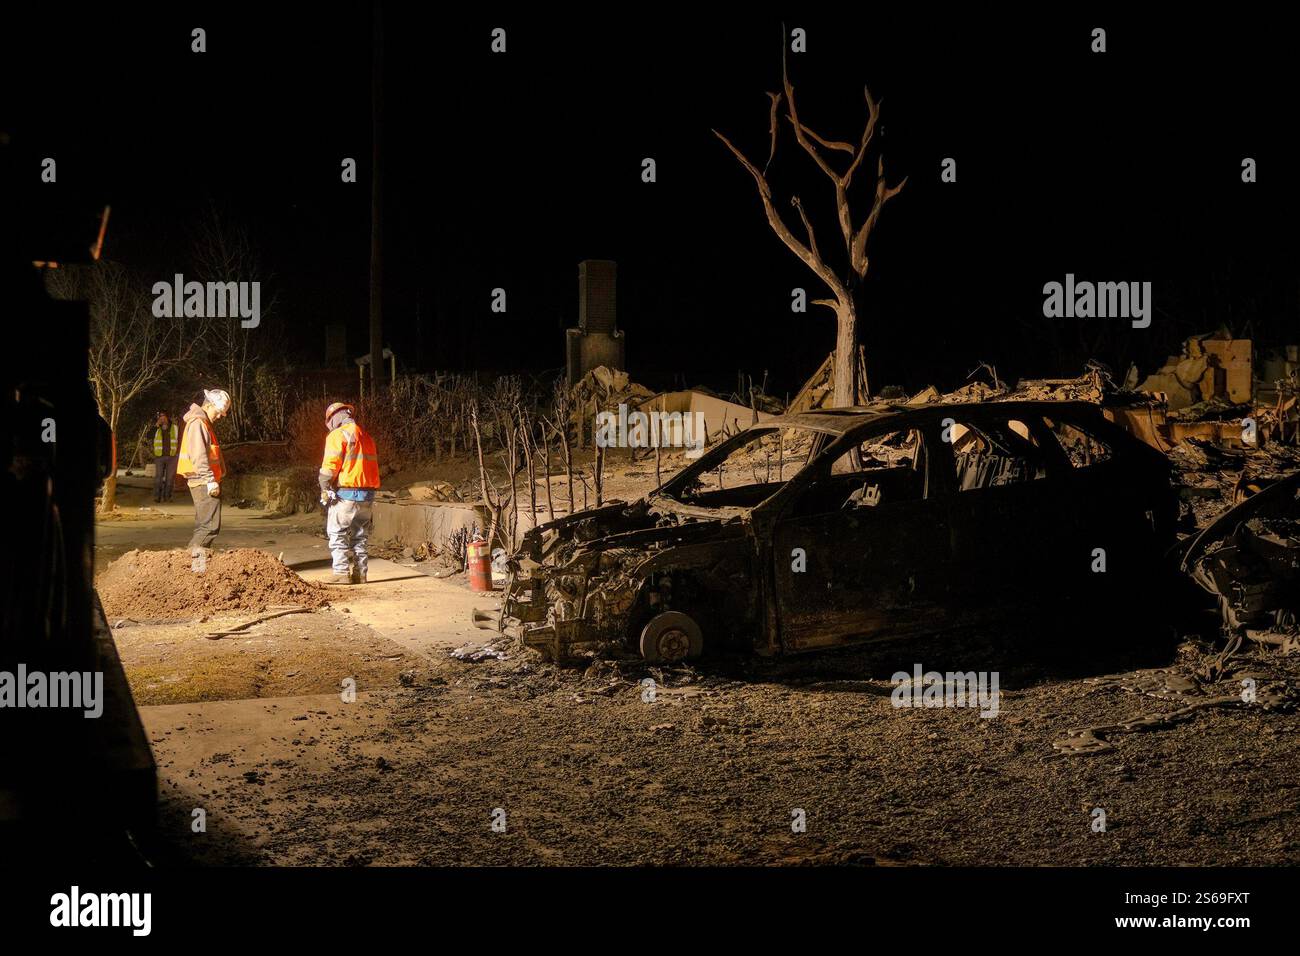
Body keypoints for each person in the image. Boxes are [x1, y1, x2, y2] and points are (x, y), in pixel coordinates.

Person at [318, 402, 380, 584]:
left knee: (337, 533)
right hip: (367, 495)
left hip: (347, 494)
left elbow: (330, 466)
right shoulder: (367, 436)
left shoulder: (338, 435)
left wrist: (324, 485)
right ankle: (361, 574)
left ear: (333, 418)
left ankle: (341, 572)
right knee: (360, 536)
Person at [177, 388, 231, 559]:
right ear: (209, 405)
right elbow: (199, 455)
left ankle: (196, 568)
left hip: (203, 481)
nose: (220, 416)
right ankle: (194, 566)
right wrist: (210, 480)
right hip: (203, 482)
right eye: (219, 411)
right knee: (209, 527)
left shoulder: (202, 423)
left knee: (204, 526)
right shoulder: (198, 423)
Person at [151, 410, 179, 503]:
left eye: (164, 416)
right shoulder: (156, 429)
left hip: (172, 457)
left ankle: (167, 497)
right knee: (158, 477)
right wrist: (156, 426)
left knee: (170, 479)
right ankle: (157, 497)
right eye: (160, 417)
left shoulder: (175, 428)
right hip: (159, 457)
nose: (162, 418)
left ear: (167, 417)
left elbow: (180, 440)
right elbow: (148, 436)